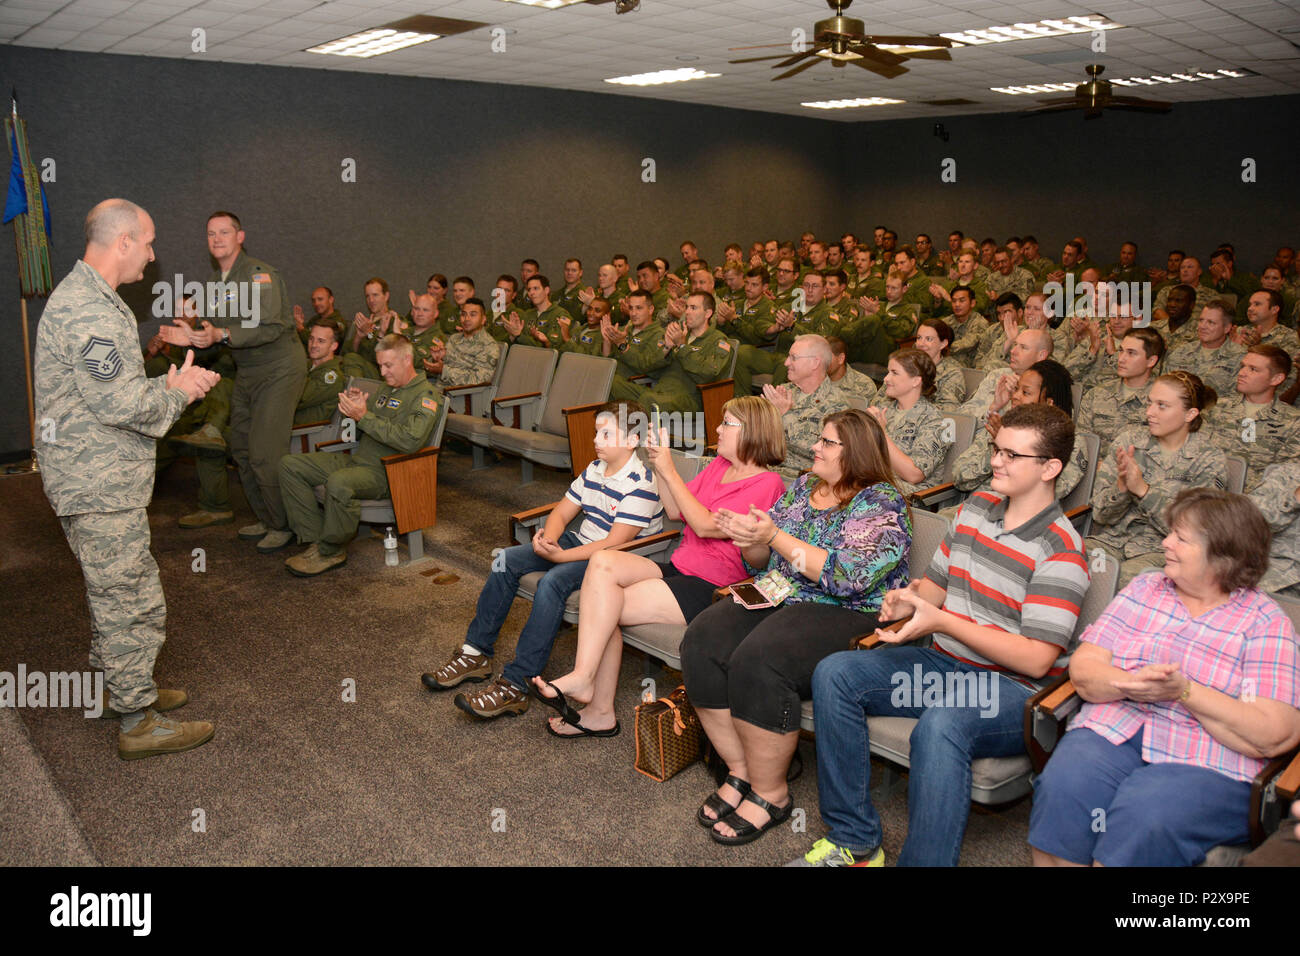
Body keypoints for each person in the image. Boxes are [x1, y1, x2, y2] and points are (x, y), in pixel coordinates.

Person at [792, 403, 1089, 866]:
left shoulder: (1061, 548)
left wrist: (943, 620)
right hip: (948, 665)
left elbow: (1035, 659)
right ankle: (855, 841)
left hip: (1013, 689)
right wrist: (908, 601)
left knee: (943, 725)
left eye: (1013, 455)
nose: (995, 462)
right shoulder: (976, 508)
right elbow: (933, 586)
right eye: (996, 449)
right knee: (835, 674)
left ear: (1051, 468)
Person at [35, 198, 221, 759]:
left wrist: (166, 386)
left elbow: (109, 392)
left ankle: (124, 687)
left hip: (98, 475)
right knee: (128, 594)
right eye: (148, 241)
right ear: (122, 242)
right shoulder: (89, 310)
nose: (153, 252)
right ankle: (138, 720)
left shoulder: (93, 299)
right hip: (97, 481)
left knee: (116, 588)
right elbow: (117, 402)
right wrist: (178, 392)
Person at [1029, 488, 1300, 866]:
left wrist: (1183, 691)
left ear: (1222, 557)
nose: (1165, 542)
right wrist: (1131, 684)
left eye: (1181, 538)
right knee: (1065, 787)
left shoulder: (1265, 622)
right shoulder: (1146, 588)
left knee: (1145, 815)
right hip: (1116, 729)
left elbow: (1274, 733)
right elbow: (1086, 671)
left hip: (1208, 763)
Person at [682, 409, 912, 845]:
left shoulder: (881, 503)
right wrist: (752, 540)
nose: (814, 448)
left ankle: (772, 793)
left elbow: (847, 578)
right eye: (819, 440)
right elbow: (766, 561)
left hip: (847, 610)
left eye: (827, 443)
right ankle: (742, 768)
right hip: (780, 591)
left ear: (856, 452)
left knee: (761, 657)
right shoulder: (806, 486)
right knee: (703, 638)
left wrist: (773, 538)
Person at [529, 397, 787, 736]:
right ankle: (588, 689)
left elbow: (707, 525)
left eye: (727, 424)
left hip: (712, 588)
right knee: (604, 562)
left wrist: (668, 470)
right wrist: (658, 466)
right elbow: (675, 511)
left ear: (751, 431)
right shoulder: (720, 467)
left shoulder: (767, 483)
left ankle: (593, 700)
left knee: (605, 606)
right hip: (680, 568)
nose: (718, 429)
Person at [422, 403, 663, 718]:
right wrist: (549, 539)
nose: (596, 440)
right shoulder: (594, 468)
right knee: (506, 560)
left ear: (632, 441)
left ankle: (516, 684)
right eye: (596, 433)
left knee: (553, 582)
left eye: (606, 434)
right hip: (582, 544)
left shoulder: (641, 482)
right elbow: (562, 512)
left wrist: (559, 556)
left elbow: (615, 543)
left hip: (616, 560)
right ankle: (475, 653)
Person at [159, 211, 307, 553]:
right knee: (239, 447)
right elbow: (213, 335)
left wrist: (221, 333)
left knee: (264, 453)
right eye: (211, 234)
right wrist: (193, 337)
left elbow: (267, 326)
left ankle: (285, 525)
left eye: (224, 232)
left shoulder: (259, 276)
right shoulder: (214, 284)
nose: (217, 239)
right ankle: (268, 517)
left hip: (280, 369)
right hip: (248, 372)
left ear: (240, 237)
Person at [277, 335, 443, 576]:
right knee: (290, 465)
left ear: (407, 359)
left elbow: (409, 441)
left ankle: (331, 550)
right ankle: (317, 541)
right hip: (359, 460)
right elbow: (365, 422)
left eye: (388, 365)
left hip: (389, 472)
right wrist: (355, 407)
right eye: (380, 366)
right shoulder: (388, 387)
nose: (383, 372)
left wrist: (363, 416)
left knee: (340, 482)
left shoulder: (425, 396)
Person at [1086, 371, 1224, 587]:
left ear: (1190, 414)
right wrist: (1121, 488)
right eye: (1150, 403)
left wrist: (1143, 491)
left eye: (1162, 406)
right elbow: (1100, 515)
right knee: (1067, 562)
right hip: (1110, 544)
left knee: (1123, 582)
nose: (1149, 412)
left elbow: (1197, 532)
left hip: (1163, 553)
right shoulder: (1130, 440)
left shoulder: (1208, 459)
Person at [950, 359, 1085, 504]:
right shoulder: (1003, 427)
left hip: (1019, 521)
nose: (1015, 396)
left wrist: (1006, 449)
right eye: (1016, 389)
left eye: (1025, 392)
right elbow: (959, 477)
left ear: (1048, 403)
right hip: (975, 510)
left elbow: (1042, 496)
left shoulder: (1071, 443)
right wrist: (996, 447)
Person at [867, 348, 948, 495]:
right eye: (888, 372)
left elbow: (913, 475)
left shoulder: (938, 422)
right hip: (874, 482)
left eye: (895, 373)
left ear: (916, 381)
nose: (885, 379)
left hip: (906, 495)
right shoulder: (885, 410)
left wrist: (882, 434)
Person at [914, 318, 965, 411]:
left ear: (943, 344)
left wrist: (911, 408)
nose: (921, 344)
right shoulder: (906, 367)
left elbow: (949, 409)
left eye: (928, 339)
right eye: (919, 338)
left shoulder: (951, 373)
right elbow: (882, 398)